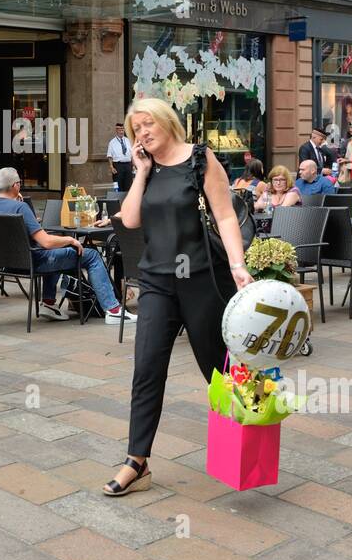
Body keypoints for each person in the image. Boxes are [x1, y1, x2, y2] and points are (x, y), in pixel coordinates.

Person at [105, 98, 251, 497]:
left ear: (168, 122)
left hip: (200, 278)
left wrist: (238, 266)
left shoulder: (200, 159)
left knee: (217, 370)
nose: (143, 133)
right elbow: (131, 220)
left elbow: (224, 215)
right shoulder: (146, 169)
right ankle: (137, 460)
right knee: (146, 368)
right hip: (156, 282)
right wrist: (140, 172)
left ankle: (244, 444)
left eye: (149, 124)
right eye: (137, 129)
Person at [0, 167, 135, 324]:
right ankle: (113, 310)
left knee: (55, 249)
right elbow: (46, 242)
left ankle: (49, 304)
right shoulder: (20, 207)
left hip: (6, 264)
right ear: (16, 186)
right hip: (36, 261)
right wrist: (70, 240)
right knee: (92, 255)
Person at [107, 122, 133, 193]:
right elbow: (110, 156)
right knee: (118, 185)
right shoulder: (112, 142)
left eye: (122, 129)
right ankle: (119, 202)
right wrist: (111, 167)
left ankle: (128, 202)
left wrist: (133, 165)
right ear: (116, 130)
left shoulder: (128, 141)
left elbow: (132, 154)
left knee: (128, 185)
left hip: (128, 165)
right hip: (118, 166)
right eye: (119, 129)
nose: (121, 131)